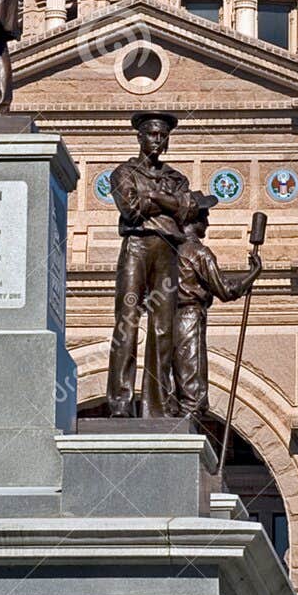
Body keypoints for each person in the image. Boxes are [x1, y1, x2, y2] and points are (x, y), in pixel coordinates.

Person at [106, 111, 193, 417]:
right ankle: (120, 402)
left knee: (163, 327)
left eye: (162, 135)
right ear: (140, 137)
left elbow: (187, 210)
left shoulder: (176, 178)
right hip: (137, 247)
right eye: (152, 134)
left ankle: (156, 405)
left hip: (166, 251)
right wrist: (166, 202)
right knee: (127, 321)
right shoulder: (123, 172)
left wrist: (155, 197)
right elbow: (129, 209)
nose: (158, 140)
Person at [156, 197, 261, 419]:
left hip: (166, 320)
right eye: (205, 216)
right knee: (192, 386)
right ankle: (186, 437)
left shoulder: (166, 251)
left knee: (176, 381)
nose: (208, 223)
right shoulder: (197, 253)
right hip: (189, 318)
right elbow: (225, 290)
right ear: (193, 219)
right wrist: (253, 274)